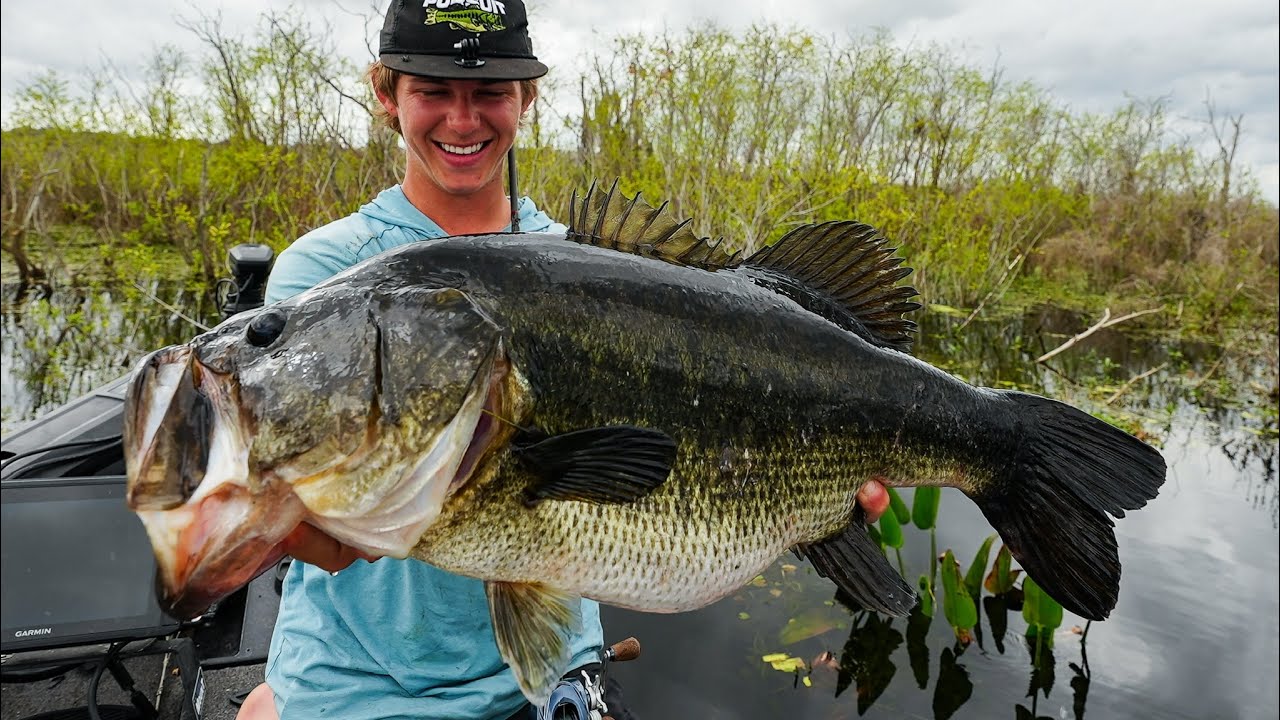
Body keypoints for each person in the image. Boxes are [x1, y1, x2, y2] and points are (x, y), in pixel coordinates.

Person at [234, 2, 890, 718]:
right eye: (433, 90)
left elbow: (667, 462)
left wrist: (805, 481)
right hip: (361, 689)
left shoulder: (591, 262)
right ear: (387, 96)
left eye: (490, 92)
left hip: (555, 681)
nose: (463, 119)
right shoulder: (327, 276)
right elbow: (313, 483)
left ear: (527, 99)